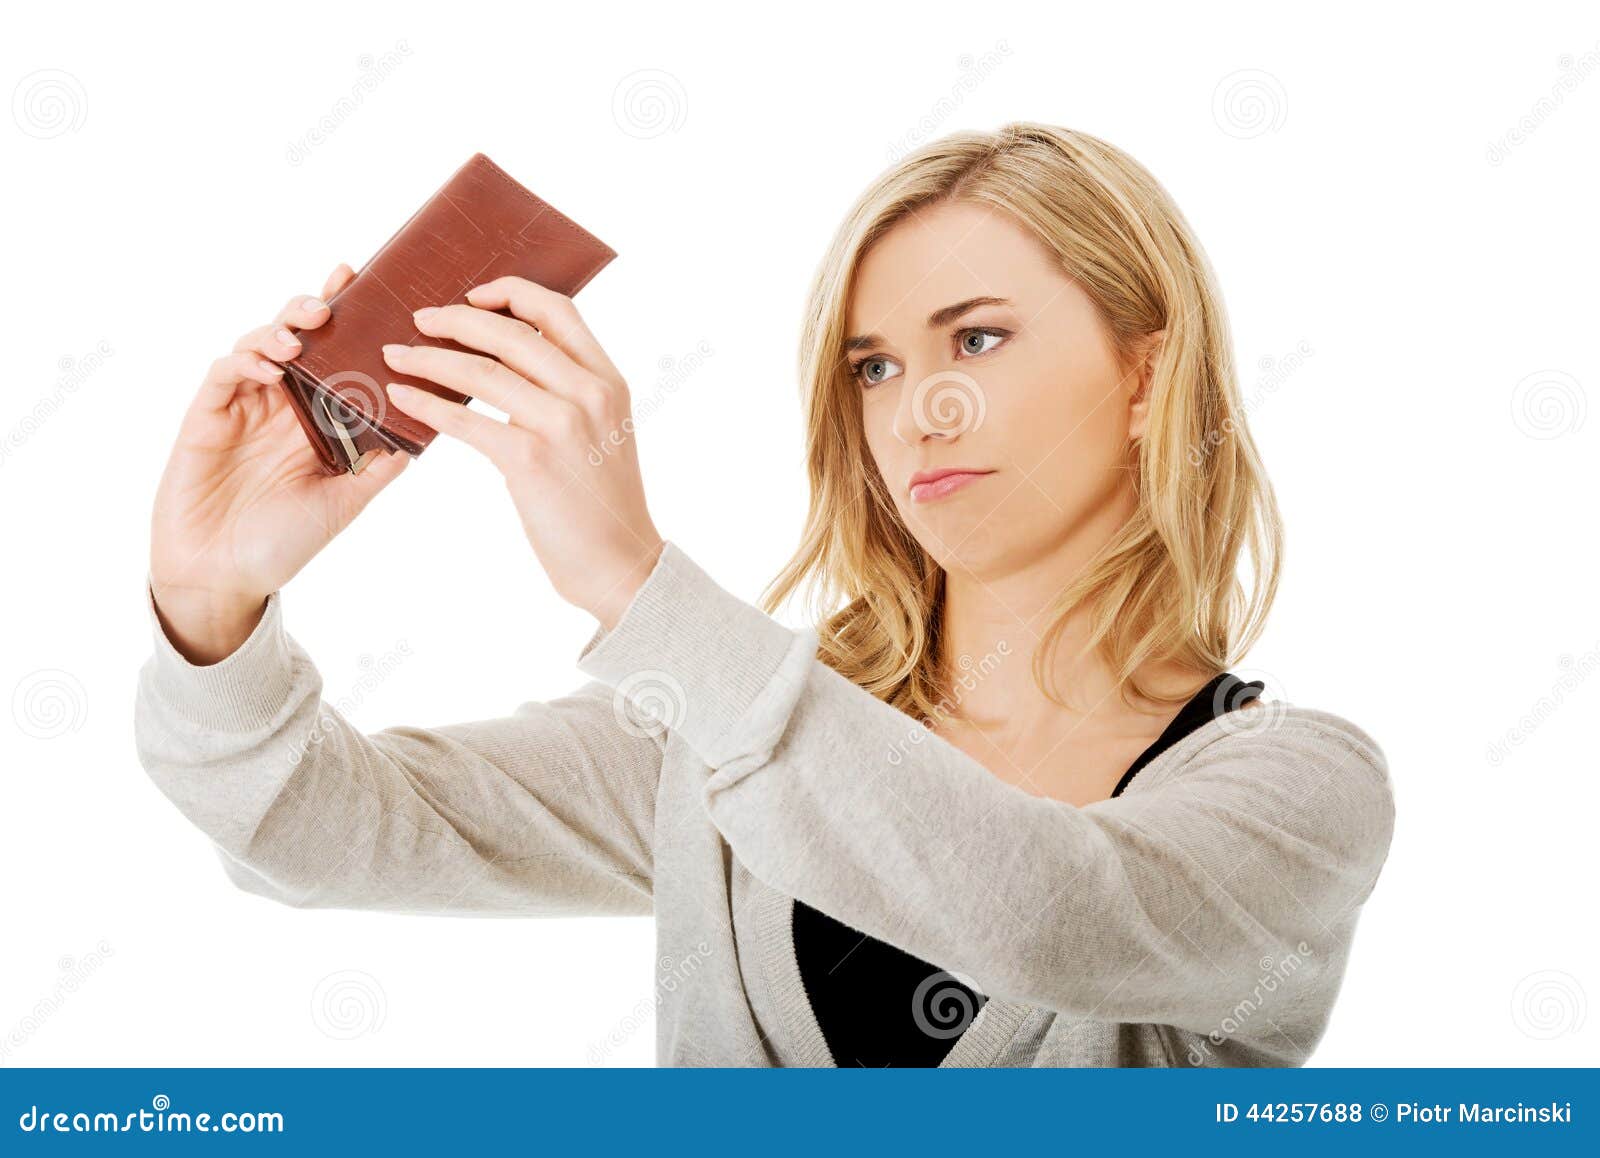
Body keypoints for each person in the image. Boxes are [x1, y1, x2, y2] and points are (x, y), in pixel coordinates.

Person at [135, 122, 1395, 1067]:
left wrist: (635, 582)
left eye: (978, 338)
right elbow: (307, 827)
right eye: (873, 366)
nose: (918, 410)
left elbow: (1044, 911)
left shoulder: (1297, 793)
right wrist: (211, 598)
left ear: (1144, 375)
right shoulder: (719, 735)